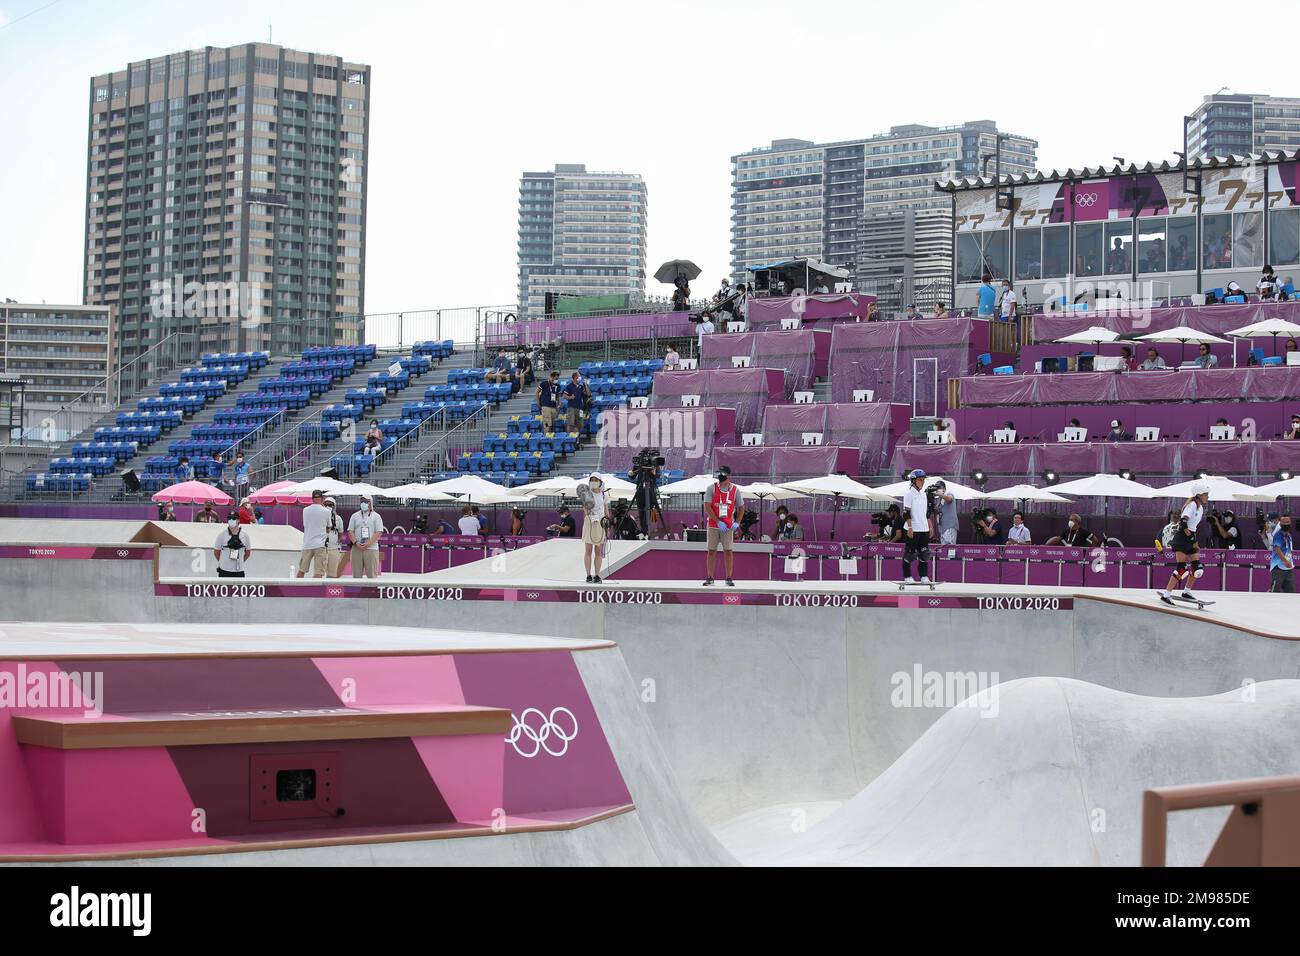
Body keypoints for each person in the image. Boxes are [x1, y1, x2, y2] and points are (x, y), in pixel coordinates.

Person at [1158, 484, 1210, 604]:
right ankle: (1166, 595)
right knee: (1181, 570)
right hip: (1182, 538)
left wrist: (1194, 540)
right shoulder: (1191, 505)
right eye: (1205, 494)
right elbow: (1182, 523)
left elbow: (1193, 527)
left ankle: (1186, 591)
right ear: (1198, 495)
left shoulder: (1200, 507)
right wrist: (1192, 539)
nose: (1207, 497)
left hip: (1191, 537)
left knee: (1198, 569)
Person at [702, 465, 742, 586]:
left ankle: (729, 577)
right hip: (714, 525)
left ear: (729, 476)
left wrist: (737, 522)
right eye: (719, 473)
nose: (721, 476)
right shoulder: (711, 488)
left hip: (728, 526)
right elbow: (707, 506)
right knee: (711, 551)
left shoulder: (735, 490)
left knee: (728, 551)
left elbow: (741, 508)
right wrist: (718, 521)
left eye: (723, 474)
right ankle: (710, 577)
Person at [901, 469, 932, 584]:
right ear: (913, 480)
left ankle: (924, 576)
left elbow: (926, 513)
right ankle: (907, 576)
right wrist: (909, 528)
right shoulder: (909, 494)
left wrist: (930, 526)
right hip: (912, 528)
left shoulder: (923, 494)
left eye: (923, 480)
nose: (922, 482)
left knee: (924, 553)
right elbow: (906, 513)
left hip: (924, 528)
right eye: (920, 480)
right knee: (910, 553)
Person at [581, 473, 609, 584]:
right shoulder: (587, 495)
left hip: (601, 523)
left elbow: (606, 510)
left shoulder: (604, 495)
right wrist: (589, 506)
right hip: (589, 521)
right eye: (592, 479)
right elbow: (586, 512)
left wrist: (607, 526)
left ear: (600, 482)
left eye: (596, 479)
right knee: (588, 550)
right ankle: (588, 575)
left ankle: (597, 575)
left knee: (598, 551)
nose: (594, 481)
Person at [347, 494, 384, 578]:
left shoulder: (376, 516)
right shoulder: (355, 516)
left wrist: (368, 544)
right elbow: (350, 531)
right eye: (362, 501)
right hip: (357, 548)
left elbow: (378, 532)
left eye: (366, 501)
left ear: (370, 503)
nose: (363, 503)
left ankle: (372, 591)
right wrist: (356, 543)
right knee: (356, 575)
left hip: (371, 548)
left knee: (372, 575)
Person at [297, 489, 331, 578]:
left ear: (312, 498)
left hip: (307, 543)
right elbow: (329, 527)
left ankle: (295, 589)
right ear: (322, 498)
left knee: (301, 570)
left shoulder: (305, 510)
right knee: (318, 572)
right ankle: (314, 591)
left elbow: (305, 525)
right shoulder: (327, 511)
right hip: (320, 544)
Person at [213, 514, 251, 578]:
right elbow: (216, 552)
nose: (231, 520)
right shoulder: (222, 535)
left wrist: (241, 561)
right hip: (224, 570)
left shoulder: (245, 535)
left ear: (238, 520)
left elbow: (248, 552)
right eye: (229, 518)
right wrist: (223, 562)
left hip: (239, 571)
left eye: (233, 519)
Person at [1269, 512, 1294, 593]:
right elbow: (1277, 549)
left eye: (1287, 522)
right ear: (1281, 524)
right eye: (1284, 523)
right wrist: (1285, 561)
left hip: (1288, 568)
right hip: (1278, 567)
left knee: (1291, 592)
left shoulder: (1289, 536)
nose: (1286, 524)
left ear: (1290, 524)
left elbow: (1289, 550)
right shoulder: (1278, 535)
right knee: (1275, 591)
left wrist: (1289, 562)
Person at [324, 497, 347, 578]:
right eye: (325, 504)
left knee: (333, 573)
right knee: (321, 573)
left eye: (330, 505)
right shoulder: (321, 517)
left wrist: (336, 541)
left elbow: (341, 533)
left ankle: (329, 589)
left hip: (334, 548)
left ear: (334, 506)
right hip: (322, 549)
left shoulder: (338, 518)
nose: (327, 506)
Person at [933, 481, 959, 545]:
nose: (938, 489)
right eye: (936, 488)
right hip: (942, 527)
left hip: (949, 526)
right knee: (944, 548)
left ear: (944, 488)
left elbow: (949, 499)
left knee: (950, 546)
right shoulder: (940, 499)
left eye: (939, 488)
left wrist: (939, 494)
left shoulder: (949, 494)